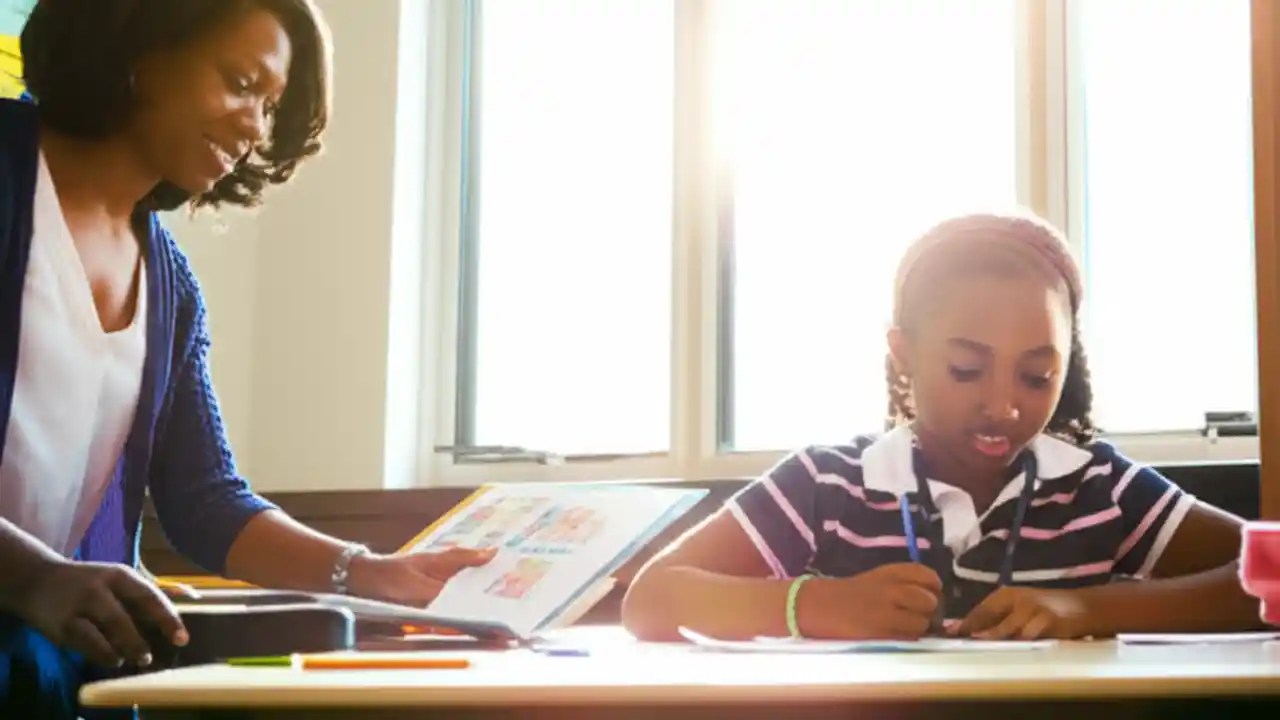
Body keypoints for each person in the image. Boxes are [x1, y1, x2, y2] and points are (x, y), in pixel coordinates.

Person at [0, 1, 492, 717]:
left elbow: (207, 502)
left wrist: (375, 573)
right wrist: (35, 577)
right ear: (140, 47)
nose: (256, 127)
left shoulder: (169, 282)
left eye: (269, 105)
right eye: (240, 83)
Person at [622, 211, 1261, 642]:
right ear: (903, 355)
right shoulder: (827, 485)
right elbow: (650, 600)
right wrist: (819, 606)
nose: (1004, 406)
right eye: (966, 369)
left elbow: (1271, 577)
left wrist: (1085, 608)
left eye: (1036, 376)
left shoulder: (1100, 489)